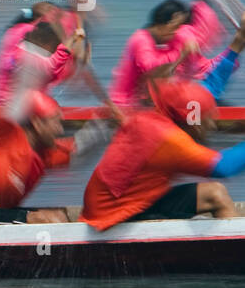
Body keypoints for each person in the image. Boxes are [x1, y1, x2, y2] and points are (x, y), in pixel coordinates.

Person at [80, 77, 245, 231]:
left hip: (103, 207)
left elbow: (204, 90)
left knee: (213, 192)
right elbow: (223, 167)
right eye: (208, 119)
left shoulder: (147, 120)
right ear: (194, 124)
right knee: (216, 195)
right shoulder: (171, 141)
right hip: (115, 215)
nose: (213, 126)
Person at [0, 91, 108, 227]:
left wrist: (108, 123)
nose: (60, 130)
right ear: (36, 123)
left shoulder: (45, 154)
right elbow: (26, 81)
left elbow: (80, 149)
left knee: (59, 216)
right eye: (55, 122)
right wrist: (61, 53)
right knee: (45, 219)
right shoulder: (4, 136)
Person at [109, 0, 224, 107]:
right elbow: (150, 68)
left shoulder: (158, 43)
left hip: (143, 105)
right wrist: (182, 52)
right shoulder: (140, 39)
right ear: (169, 22)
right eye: (177, 27)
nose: (177, 33)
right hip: (125, 106)